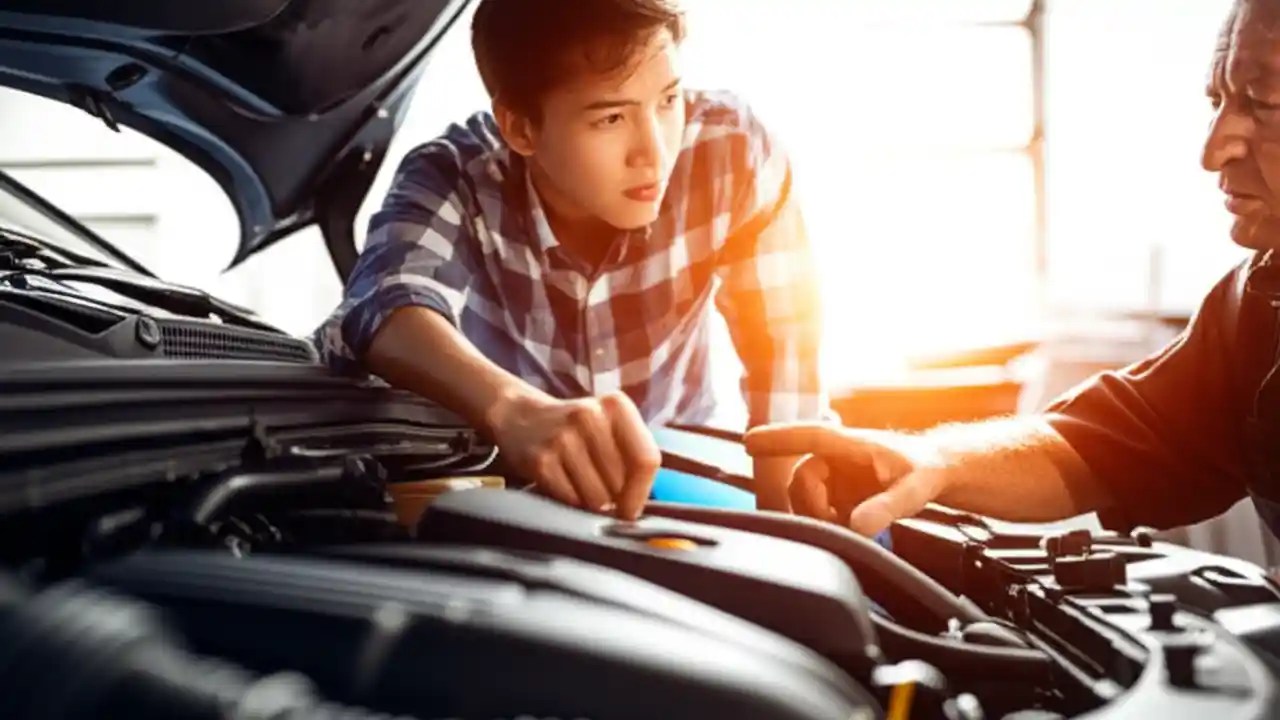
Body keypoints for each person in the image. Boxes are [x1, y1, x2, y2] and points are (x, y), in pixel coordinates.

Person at [747, 0, 1280, 541]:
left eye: (1260, 102)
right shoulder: (1255, 307)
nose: (1213, 151)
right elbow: (1104, 447)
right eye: (1216, 100)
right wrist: (933, 463)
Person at [313, 0, 829, 520]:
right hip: (515, 485)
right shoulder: (457, 176)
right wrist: (513, 410)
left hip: (683, 469)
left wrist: (791, 527)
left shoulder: (731, 148)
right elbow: (383, 305)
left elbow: (784, 348)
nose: (653, 150)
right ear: (520, 129)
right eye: (611, 117)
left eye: (669, 100)